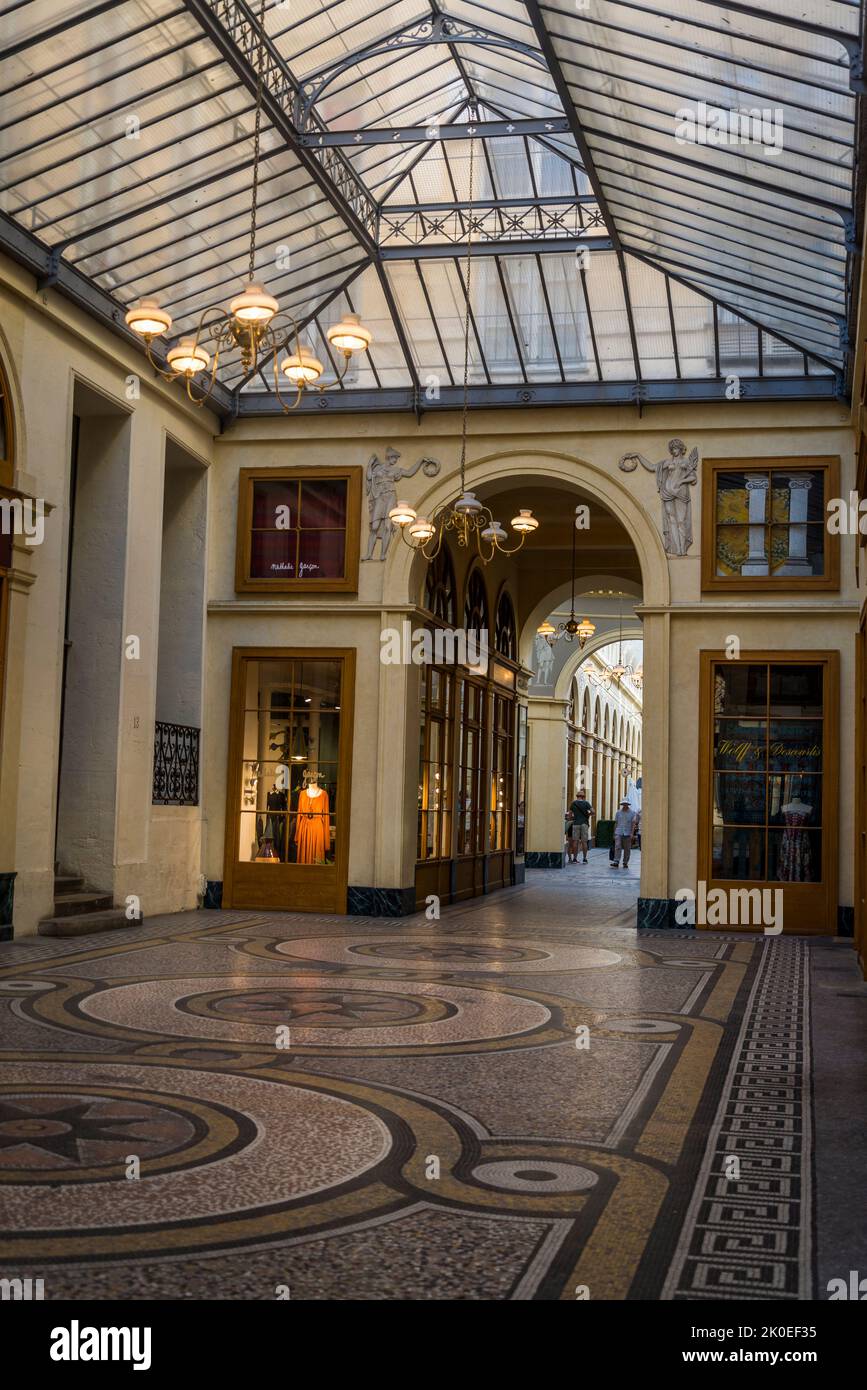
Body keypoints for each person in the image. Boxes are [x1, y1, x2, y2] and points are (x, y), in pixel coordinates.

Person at [611, 799, 637, 868]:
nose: (625, 805)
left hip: (627, 833)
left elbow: (633, 824)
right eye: (623, 804)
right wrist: (614, 833)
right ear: (622, 804)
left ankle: (625, 862)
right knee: (617, 846)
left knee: (627, 848)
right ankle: (616, 861)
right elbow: (616, 823)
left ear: (628, 804)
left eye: (626, 804)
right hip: (618, 832)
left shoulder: (632, 813)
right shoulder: (618, 813)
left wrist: (632, 833)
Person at [570, 794, 594, 864]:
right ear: (583, 797)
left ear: (577, 796)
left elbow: (570, 815)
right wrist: (588, 814)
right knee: (584, 842)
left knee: (575, 841)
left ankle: (574, 858)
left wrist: (573, 818)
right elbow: (593, 812)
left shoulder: (573, 803)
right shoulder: (586, 803)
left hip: (576, 824)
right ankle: (584, 858)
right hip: (584, 824)